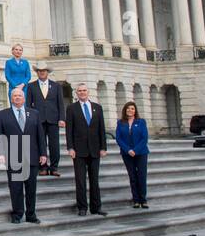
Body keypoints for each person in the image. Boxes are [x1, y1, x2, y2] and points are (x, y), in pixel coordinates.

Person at [0, 86, 46, 224]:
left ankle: (31, 214)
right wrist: (0, 153)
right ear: (11, 99)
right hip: (13, 157)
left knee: (31, 188)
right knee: (15, 188)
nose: (17, 98)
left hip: (32, 156)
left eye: (19, 96)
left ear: (24, 98)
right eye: (14, 96)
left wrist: (43, 153)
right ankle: (17, 214)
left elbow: (40, 135)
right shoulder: (2, 115)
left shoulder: (34, 113)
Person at [66, 83, 107, 216]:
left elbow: (102, 129)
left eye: (84, 90)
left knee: (94, 180)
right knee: (80, 180)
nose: (82, 93)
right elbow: (69, 130)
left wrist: (103, 147)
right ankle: (82, 207)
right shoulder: (72, 108)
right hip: (79, 150)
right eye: (79, 91)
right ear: (76, 93)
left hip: (95, 149)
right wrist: (70, 147)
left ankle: (96, 207)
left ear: (88, 92)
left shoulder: (97, 108)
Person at [26, 64, 64, 177]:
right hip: (38, 120)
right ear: (37, 72)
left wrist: (62, 118)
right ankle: (42, 167)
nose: (42, 72)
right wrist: (29, 118)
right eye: (39, 71)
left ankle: (54, 167)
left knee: (54, 145)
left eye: (44, 71)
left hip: (53, 119)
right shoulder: (31, 86)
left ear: (47, 72)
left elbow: (60, 104)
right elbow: (28, 104)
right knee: (40, 144)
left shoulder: (56, 86)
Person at [115, 100, 150, 209]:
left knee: (141, 176)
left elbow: (144, 138)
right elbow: (119, 138)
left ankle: (143, 199)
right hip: (127, 154)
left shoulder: (141, 122)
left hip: (141, 153)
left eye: (132, 109)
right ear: (125, 110)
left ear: (135, 111)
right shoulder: (120, 123)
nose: (130, 110)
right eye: (128, 108)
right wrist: (128, 150)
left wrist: (135, 150)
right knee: (132, 176)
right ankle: (136, 200)